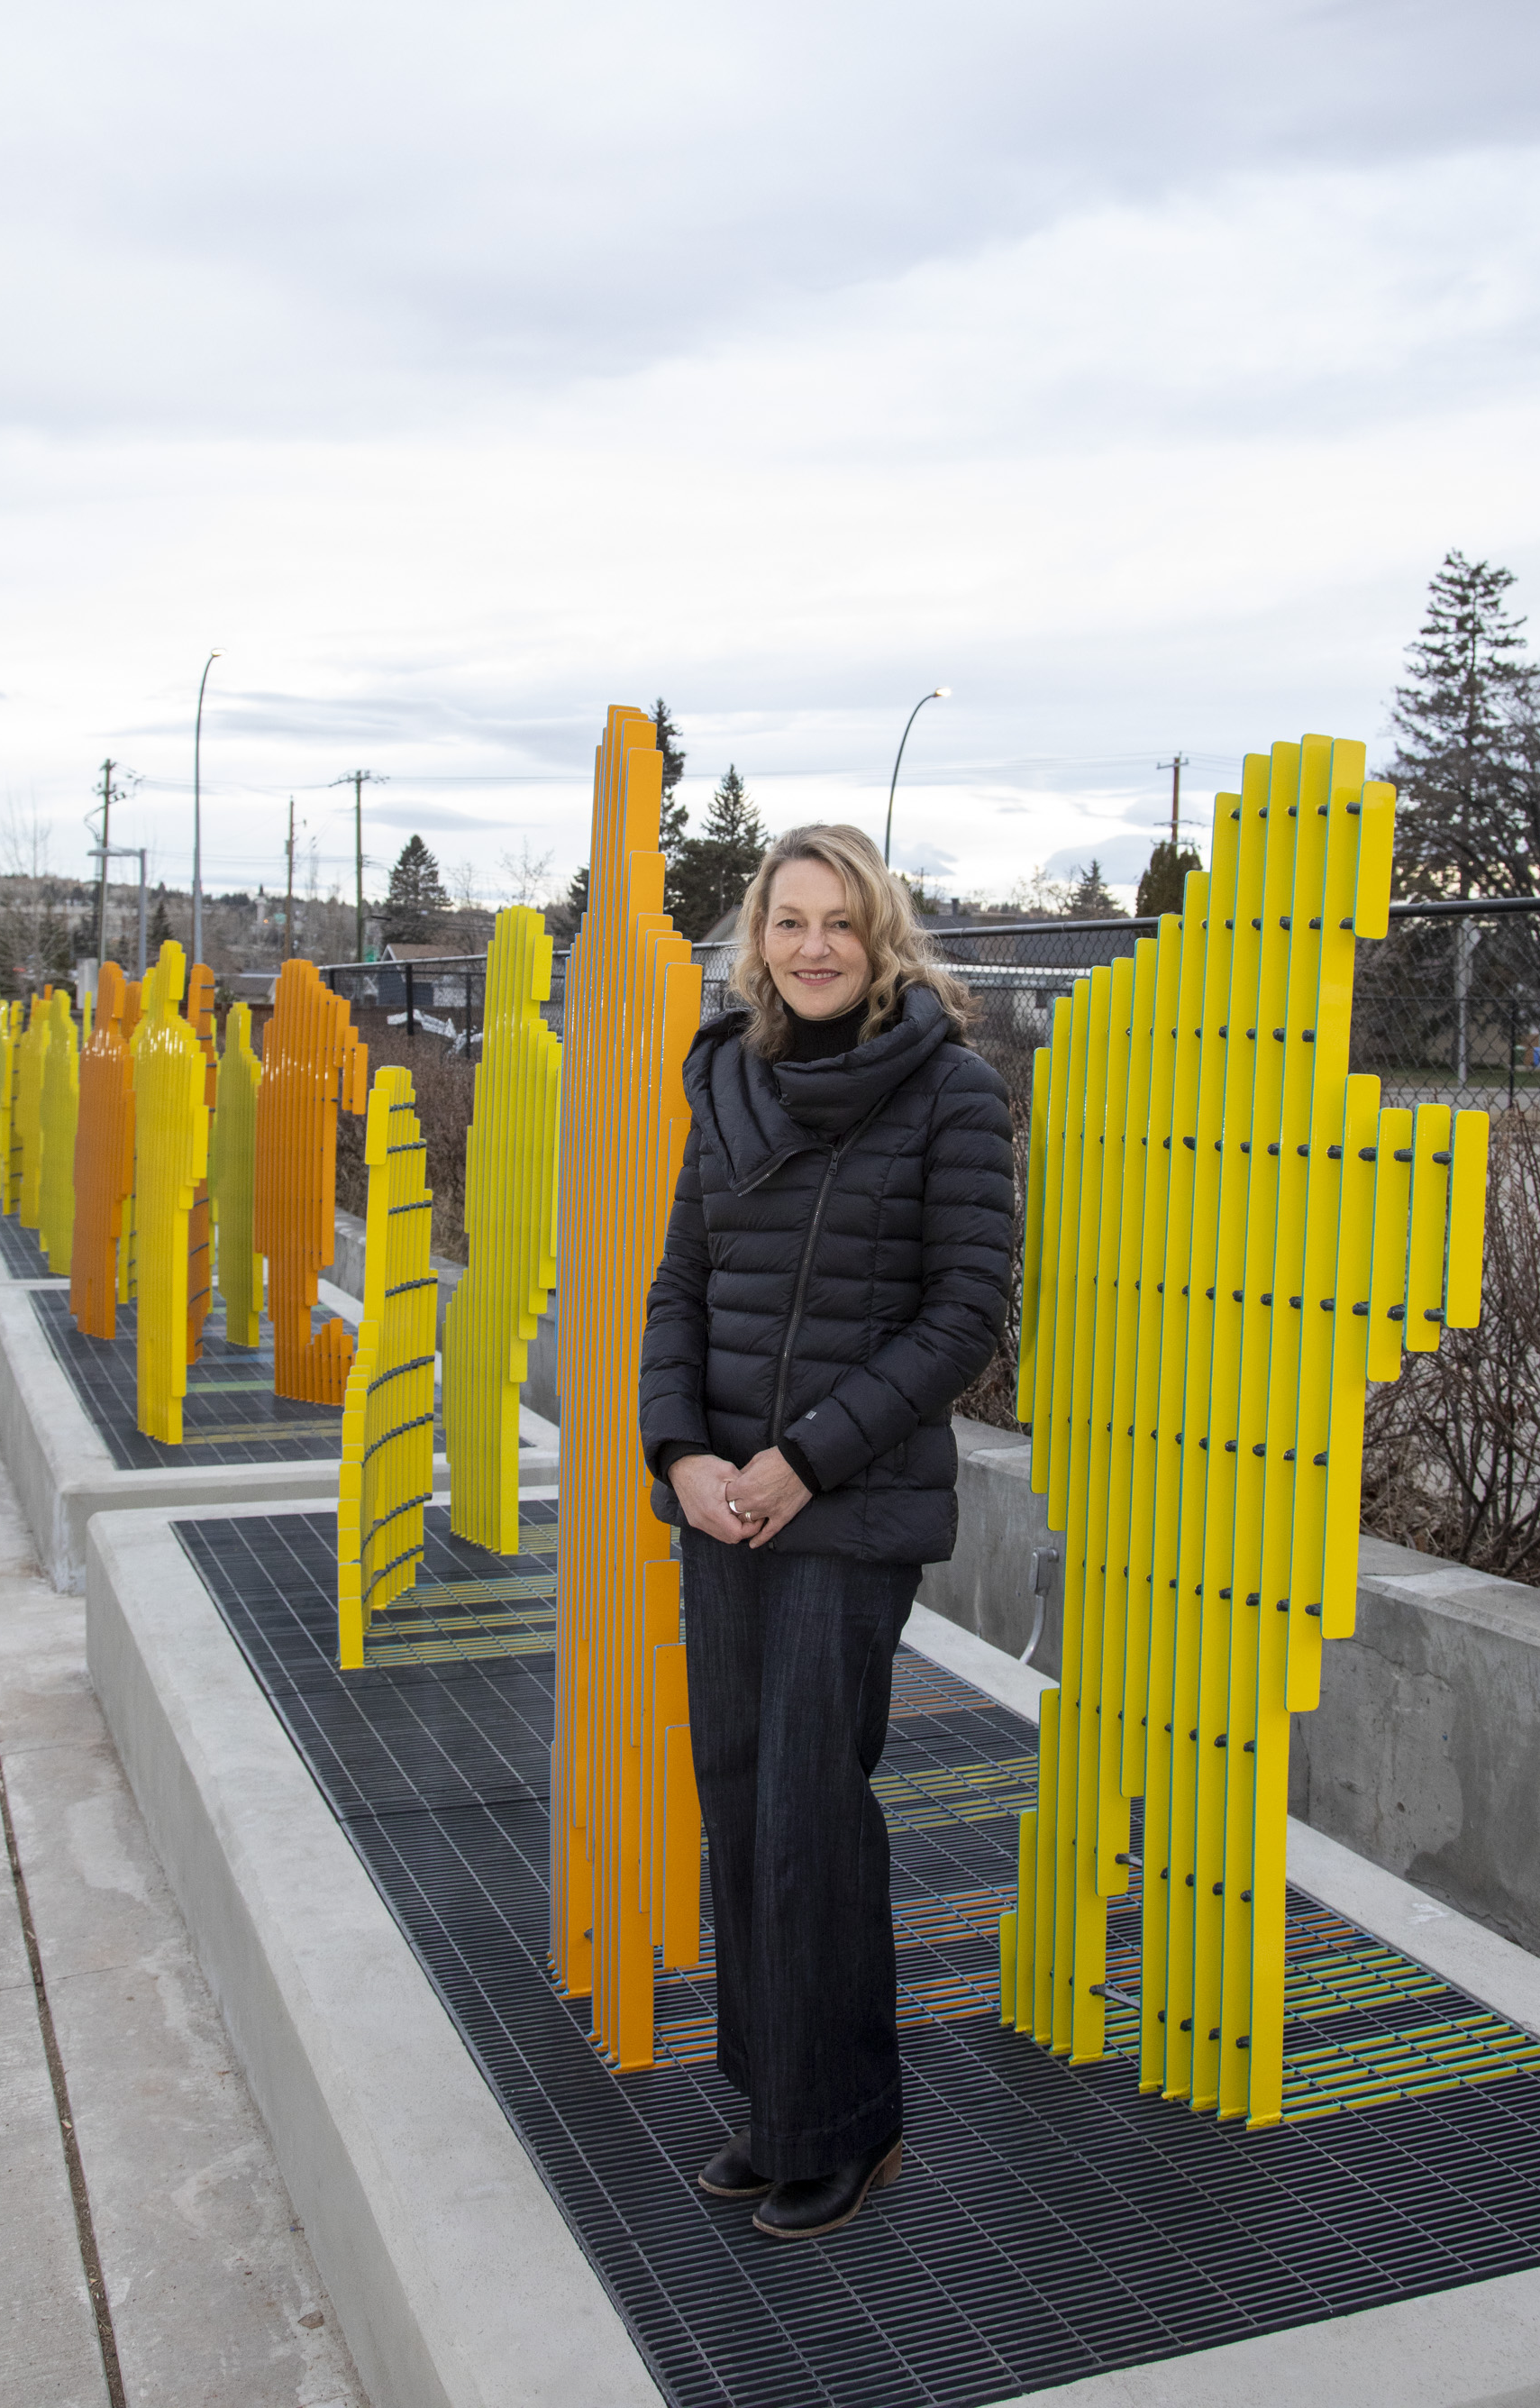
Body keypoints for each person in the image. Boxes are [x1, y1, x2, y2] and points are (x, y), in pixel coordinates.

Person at [639, 822, 1016, 2242]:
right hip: (718, 1504)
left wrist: (799, 1464)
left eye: (838, 924)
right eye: (789, 921)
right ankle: (775, 2104)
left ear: (882, 939)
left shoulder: (951, 1096)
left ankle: (850, 2127)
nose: (811, 947)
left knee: (809, 1807)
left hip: (843, 1511)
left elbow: (961, 1321)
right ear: (759, 940)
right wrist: (679, 1453)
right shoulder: (726, 1080)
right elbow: (679, 1283)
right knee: (739, 1801)